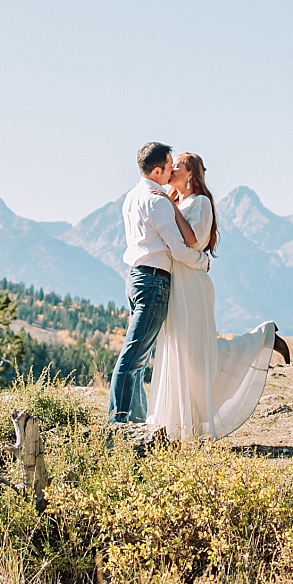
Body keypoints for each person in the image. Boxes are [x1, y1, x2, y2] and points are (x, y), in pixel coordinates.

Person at [146, 151, 291, 440]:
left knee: (201, 358)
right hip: (176, 286)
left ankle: (261, 339)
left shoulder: (200, 203)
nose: (172, 170)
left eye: (178, 167)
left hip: (193, 288)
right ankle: (177, 428)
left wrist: (171, 208)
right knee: (182, 355)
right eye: (171, 166)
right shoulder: (174, 202)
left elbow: (195, 241)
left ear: (191, 174)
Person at [107, 142, 211, 424]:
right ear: (157, 170)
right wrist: (202, 262)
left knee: (138, 358)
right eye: (168, 167)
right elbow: (178, 250)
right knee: (134, 356)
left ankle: (137, 421)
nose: (171, 172)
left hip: (135, 278)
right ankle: (118, 422)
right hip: (153, 281)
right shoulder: (157, 201)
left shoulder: (132, 197)